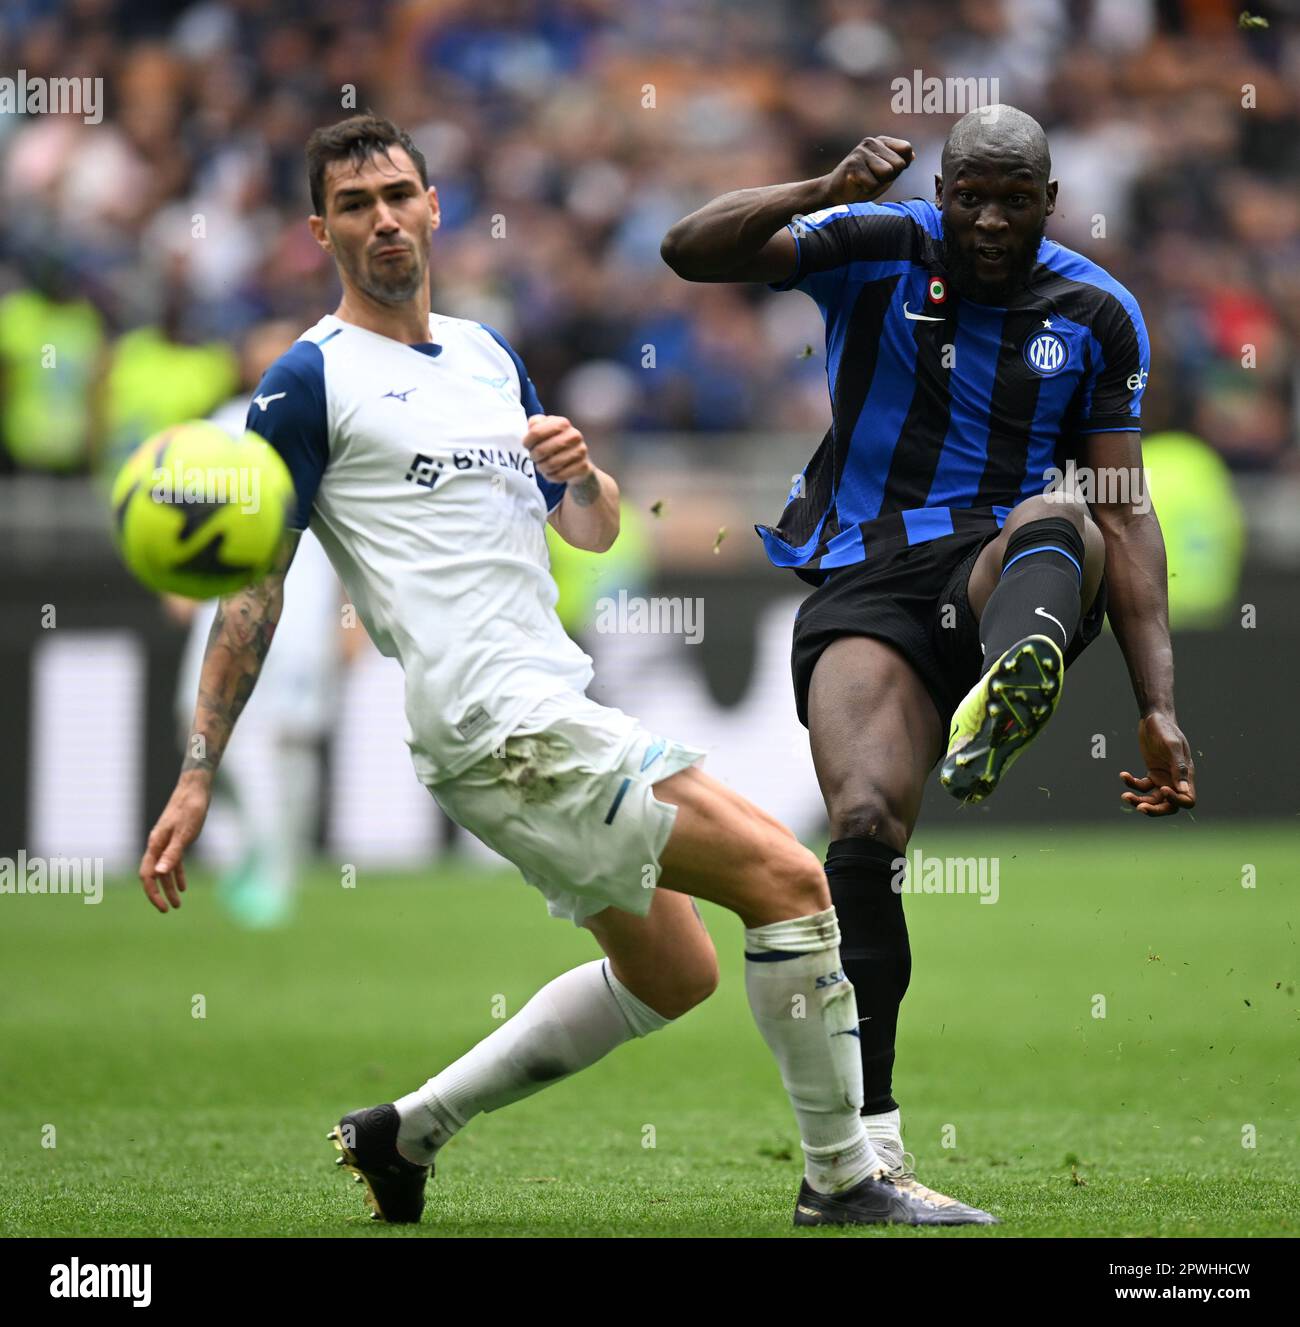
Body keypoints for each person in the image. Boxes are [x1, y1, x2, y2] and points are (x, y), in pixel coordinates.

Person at [137, 114, 994, 1229]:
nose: (383, 219)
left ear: (434, 206)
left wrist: (582, 475)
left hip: (542, 707)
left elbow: (586, 533)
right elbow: (255, 589)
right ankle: (843, 1180)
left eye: (398, 194)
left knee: (672, 973)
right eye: (354, 205)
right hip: (497, 721)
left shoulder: (488, 355)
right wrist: (202, 767)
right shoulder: (311, 382)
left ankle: (405, 1133)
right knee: (794, 885)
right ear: (319, 231)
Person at [661, 105, 1197, 1208]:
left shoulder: (1097, 312)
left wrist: (1159, 703)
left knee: (1065, 510)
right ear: (942, 189)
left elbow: (1127, 512)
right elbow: (688, 248)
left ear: (1049, 203)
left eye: (1014, 199)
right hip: (865, 587)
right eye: (971, 194)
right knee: (858, 832)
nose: (989, 219)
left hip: (1006, 565)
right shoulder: (876, 241)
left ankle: (1015, 677)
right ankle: (863, 1153)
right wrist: (821, 185)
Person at [164, 320, 355, 929]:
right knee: (213, 737)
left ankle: (274, 878)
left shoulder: (336, 429)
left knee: (290, 746)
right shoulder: (216, 432)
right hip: (230, 614)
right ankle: (254, 863)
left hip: (304, 615)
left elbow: (359, 531)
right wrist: (176, 576)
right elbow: (167, 509)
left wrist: (351, 619)